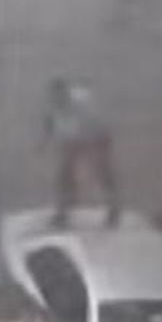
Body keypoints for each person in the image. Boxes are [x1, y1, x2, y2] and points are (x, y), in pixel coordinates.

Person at [42, 77, 120, 228]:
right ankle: (64, 211)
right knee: (64, 175)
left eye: (60, 97)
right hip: (72, 139)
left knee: (102, 173)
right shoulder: (54, 105)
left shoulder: (83, 102)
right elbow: (50, 122)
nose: (57, 100)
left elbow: (98, 123)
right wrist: (45, 141)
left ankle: (114, 209)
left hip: (95, 137)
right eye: (55, 98)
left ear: (67, 93)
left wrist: (97, 146)